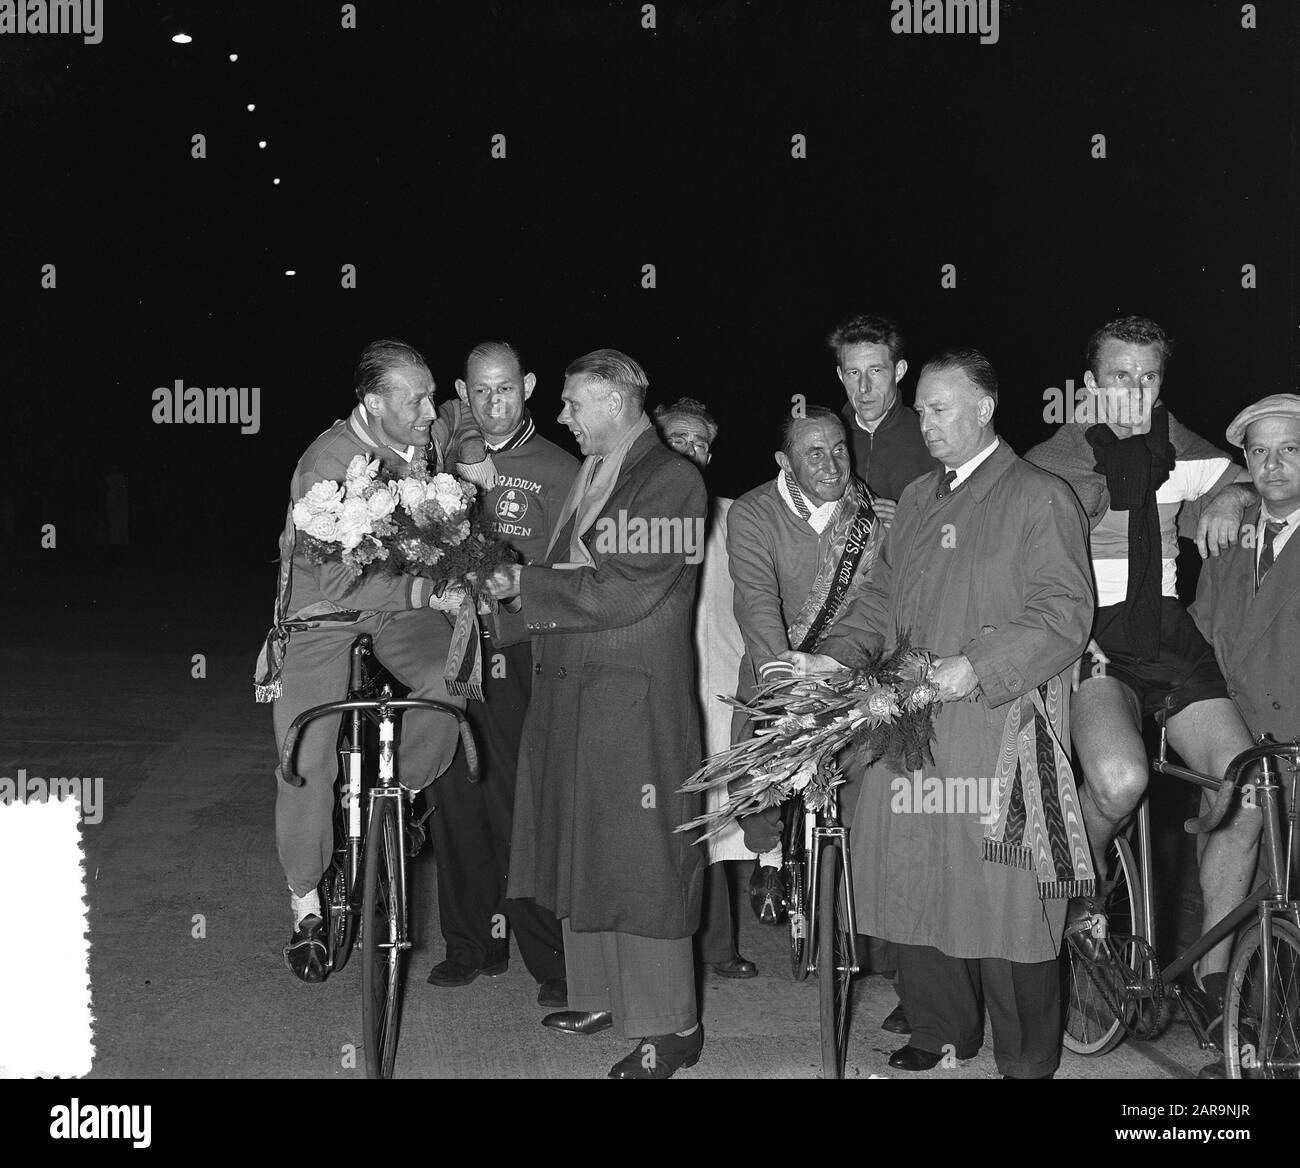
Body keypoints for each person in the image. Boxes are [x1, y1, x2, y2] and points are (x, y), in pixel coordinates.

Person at [788, 348, 1095, 1078]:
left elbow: (1064, 614)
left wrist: (975, 669)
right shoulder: (921, 499)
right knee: (917, 873)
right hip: (913, 724)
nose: (923, 423)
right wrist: (830, 657)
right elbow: (880, 601)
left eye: (938, 408)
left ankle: (1025, 1058)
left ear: (985, 407)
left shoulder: (1037, 496)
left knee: (1006, 897)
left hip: (999, 726)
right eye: (919, 410)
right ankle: (940, 1028)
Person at [1024, 315, 1258, 1039]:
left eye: (1149, 376)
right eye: (1120, 375)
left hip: (1168, 633)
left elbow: (1243, 471)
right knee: (1120, 781)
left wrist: (1233, 493)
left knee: (1248, 788)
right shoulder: (1051, 463)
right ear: (1090, 383)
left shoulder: (1178, 442)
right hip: (1096, 639)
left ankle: (1214, 980)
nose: (1134, 390)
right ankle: (1085, 877)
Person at [487, 349, 708, 1079]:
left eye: (574, 403)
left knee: (642, 860)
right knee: (586, 847)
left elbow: (624, 587)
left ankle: (669, 1027)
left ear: (615, 402)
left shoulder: (673, 479)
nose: (561, 416)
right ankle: (605, 995)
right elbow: (572, 576)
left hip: (630, 699)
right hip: (578, 693)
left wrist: (525, 582)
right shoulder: (595, 474)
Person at [254, 338, 496, 982]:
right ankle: (306, 901)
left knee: (453, 672)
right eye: (412, 399)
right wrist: (425, 589)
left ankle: (401, 797)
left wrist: (469, 453)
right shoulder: (327, 469)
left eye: (426, 395)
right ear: (371, 401)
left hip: (399, 611)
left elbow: (461, 409)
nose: (426, 410)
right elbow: (336, 586)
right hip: (324, 617)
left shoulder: (424, 424)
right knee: (304, 759)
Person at [424, 342, 578, 1007]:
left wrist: (519, 589)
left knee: (520, 805)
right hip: (444, 657)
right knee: (454, 799)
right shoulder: (438, 463)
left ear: (530, 386)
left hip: (517, 660)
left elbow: (581, 574)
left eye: (506, 390)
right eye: (480, 392)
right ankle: (471, 945)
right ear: (464, 390)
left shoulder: (561, 470)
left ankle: (550, 957)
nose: (493, 404)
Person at [1188, 394, 1300, 1076]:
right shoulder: (1229, 533)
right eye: (1257, 451)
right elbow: (1202, 634)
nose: (1272, 465)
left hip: (1294, 739)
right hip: (1238, 738)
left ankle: (1275, 1032)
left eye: (1289, 448)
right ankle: (1220, 1009)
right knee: (1231, 851)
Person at [652, 395, 758, 980]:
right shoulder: (633, 516)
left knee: (713, 823)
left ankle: (719, 946)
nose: (689, 451)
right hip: (655, 686)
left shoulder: (733, 514)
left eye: (699, 442)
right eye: (676, 439)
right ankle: (669, 953)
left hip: (717, 684)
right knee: (663, 821)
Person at [831, 312, 941, 519]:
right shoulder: (827, 437)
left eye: (875, 371)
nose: (864, 387)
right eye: (853, 373)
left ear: (899, 371)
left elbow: (955, 521)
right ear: (840, 375)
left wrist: (906, 525)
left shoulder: (931, 437)